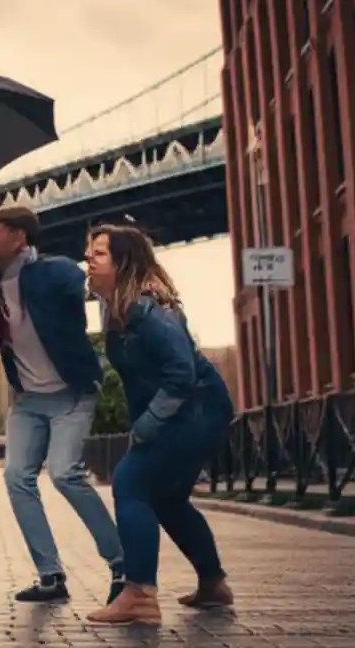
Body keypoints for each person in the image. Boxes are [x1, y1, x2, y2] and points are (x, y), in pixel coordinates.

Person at [0, 206, 125, 605]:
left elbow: (86, 285)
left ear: (19, 237)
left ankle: (124, 565)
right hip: (29, 400)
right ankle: (50, 576)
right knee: (17, 477)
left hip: (71, 392)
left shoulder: (55, 271)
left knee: (65, 474)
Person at [83, 224, 235, 626]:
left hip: (197, 409)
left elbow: (181, 375)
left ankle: (139, 595)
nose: (88, 259)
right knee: (167, 499)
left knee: (131, 482)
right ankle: (213, 585)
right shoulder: (116, 305)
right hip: (188, 411)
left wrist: (147, 426)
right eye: (89, 251)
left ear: (122, 262)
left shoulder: (148, 311)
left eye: (98, 253)